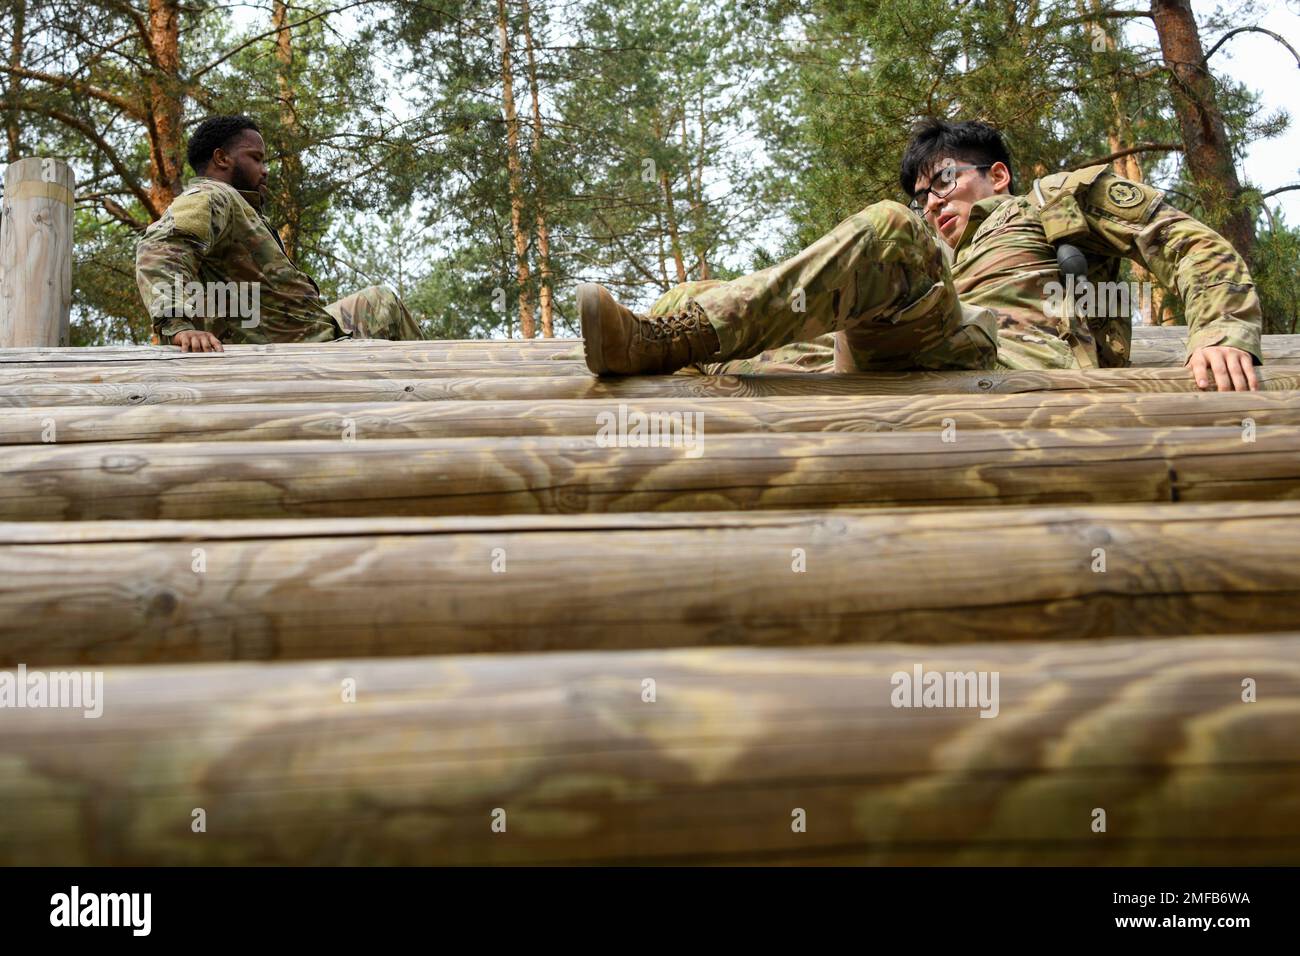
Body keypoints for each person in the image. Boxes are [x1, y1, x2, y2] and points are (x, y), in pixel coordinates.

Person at [580, 118, 1262, 392]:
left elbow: (1178, 237)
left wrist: (1221, 329)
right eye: (920, 195)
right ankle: (658, 331)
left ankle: (660, 341)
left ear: (997, 175)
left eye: (943, 180)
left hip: (1004, 359)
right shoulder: (932, 254)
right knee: (699, 287)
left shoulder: (1048, 203)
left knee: (885, 231)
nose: (932, 201)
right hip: (890, 347)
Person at [135, 115, 423, 352]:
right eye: (256, 158)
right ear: (222, 158)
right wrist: (178, 323)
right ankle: (429, 395)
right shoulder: (213, 195)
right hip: (289, 348)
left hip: (304, 332)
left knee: (378, 302)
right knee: (383, 302)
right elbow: (161, 247)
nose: (265, 170)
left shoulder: (241, 209)